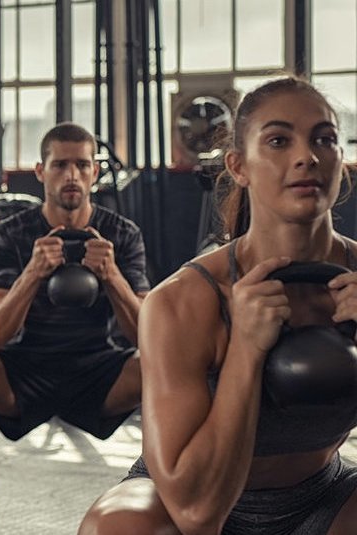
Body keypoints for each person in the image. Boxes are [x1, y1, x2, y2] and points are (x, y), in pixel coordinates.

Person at [78, 77, 357, 534]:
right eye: (278, 140)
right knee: (118, 527)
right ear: (239, 166)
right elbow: (196, 512)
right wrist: (245, 349)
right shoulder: (182, 301)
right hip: (183, 497)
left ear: (340, 161)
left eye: (324, 139)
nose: (307, 156)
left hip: (323, 496)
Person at [0, 122, 150, 527]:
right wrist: (33, 273)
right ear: (41, 171)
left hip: (99, 369)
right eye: (60, 165)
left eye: (82, 165)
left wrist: (112, 277)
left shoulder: (122, 235)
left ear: (95, 172)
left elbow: (146, 335)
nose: (71, 175)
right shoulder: (10, 235)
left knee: (160, 365)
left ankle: (152, 481)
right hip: (26, 369)